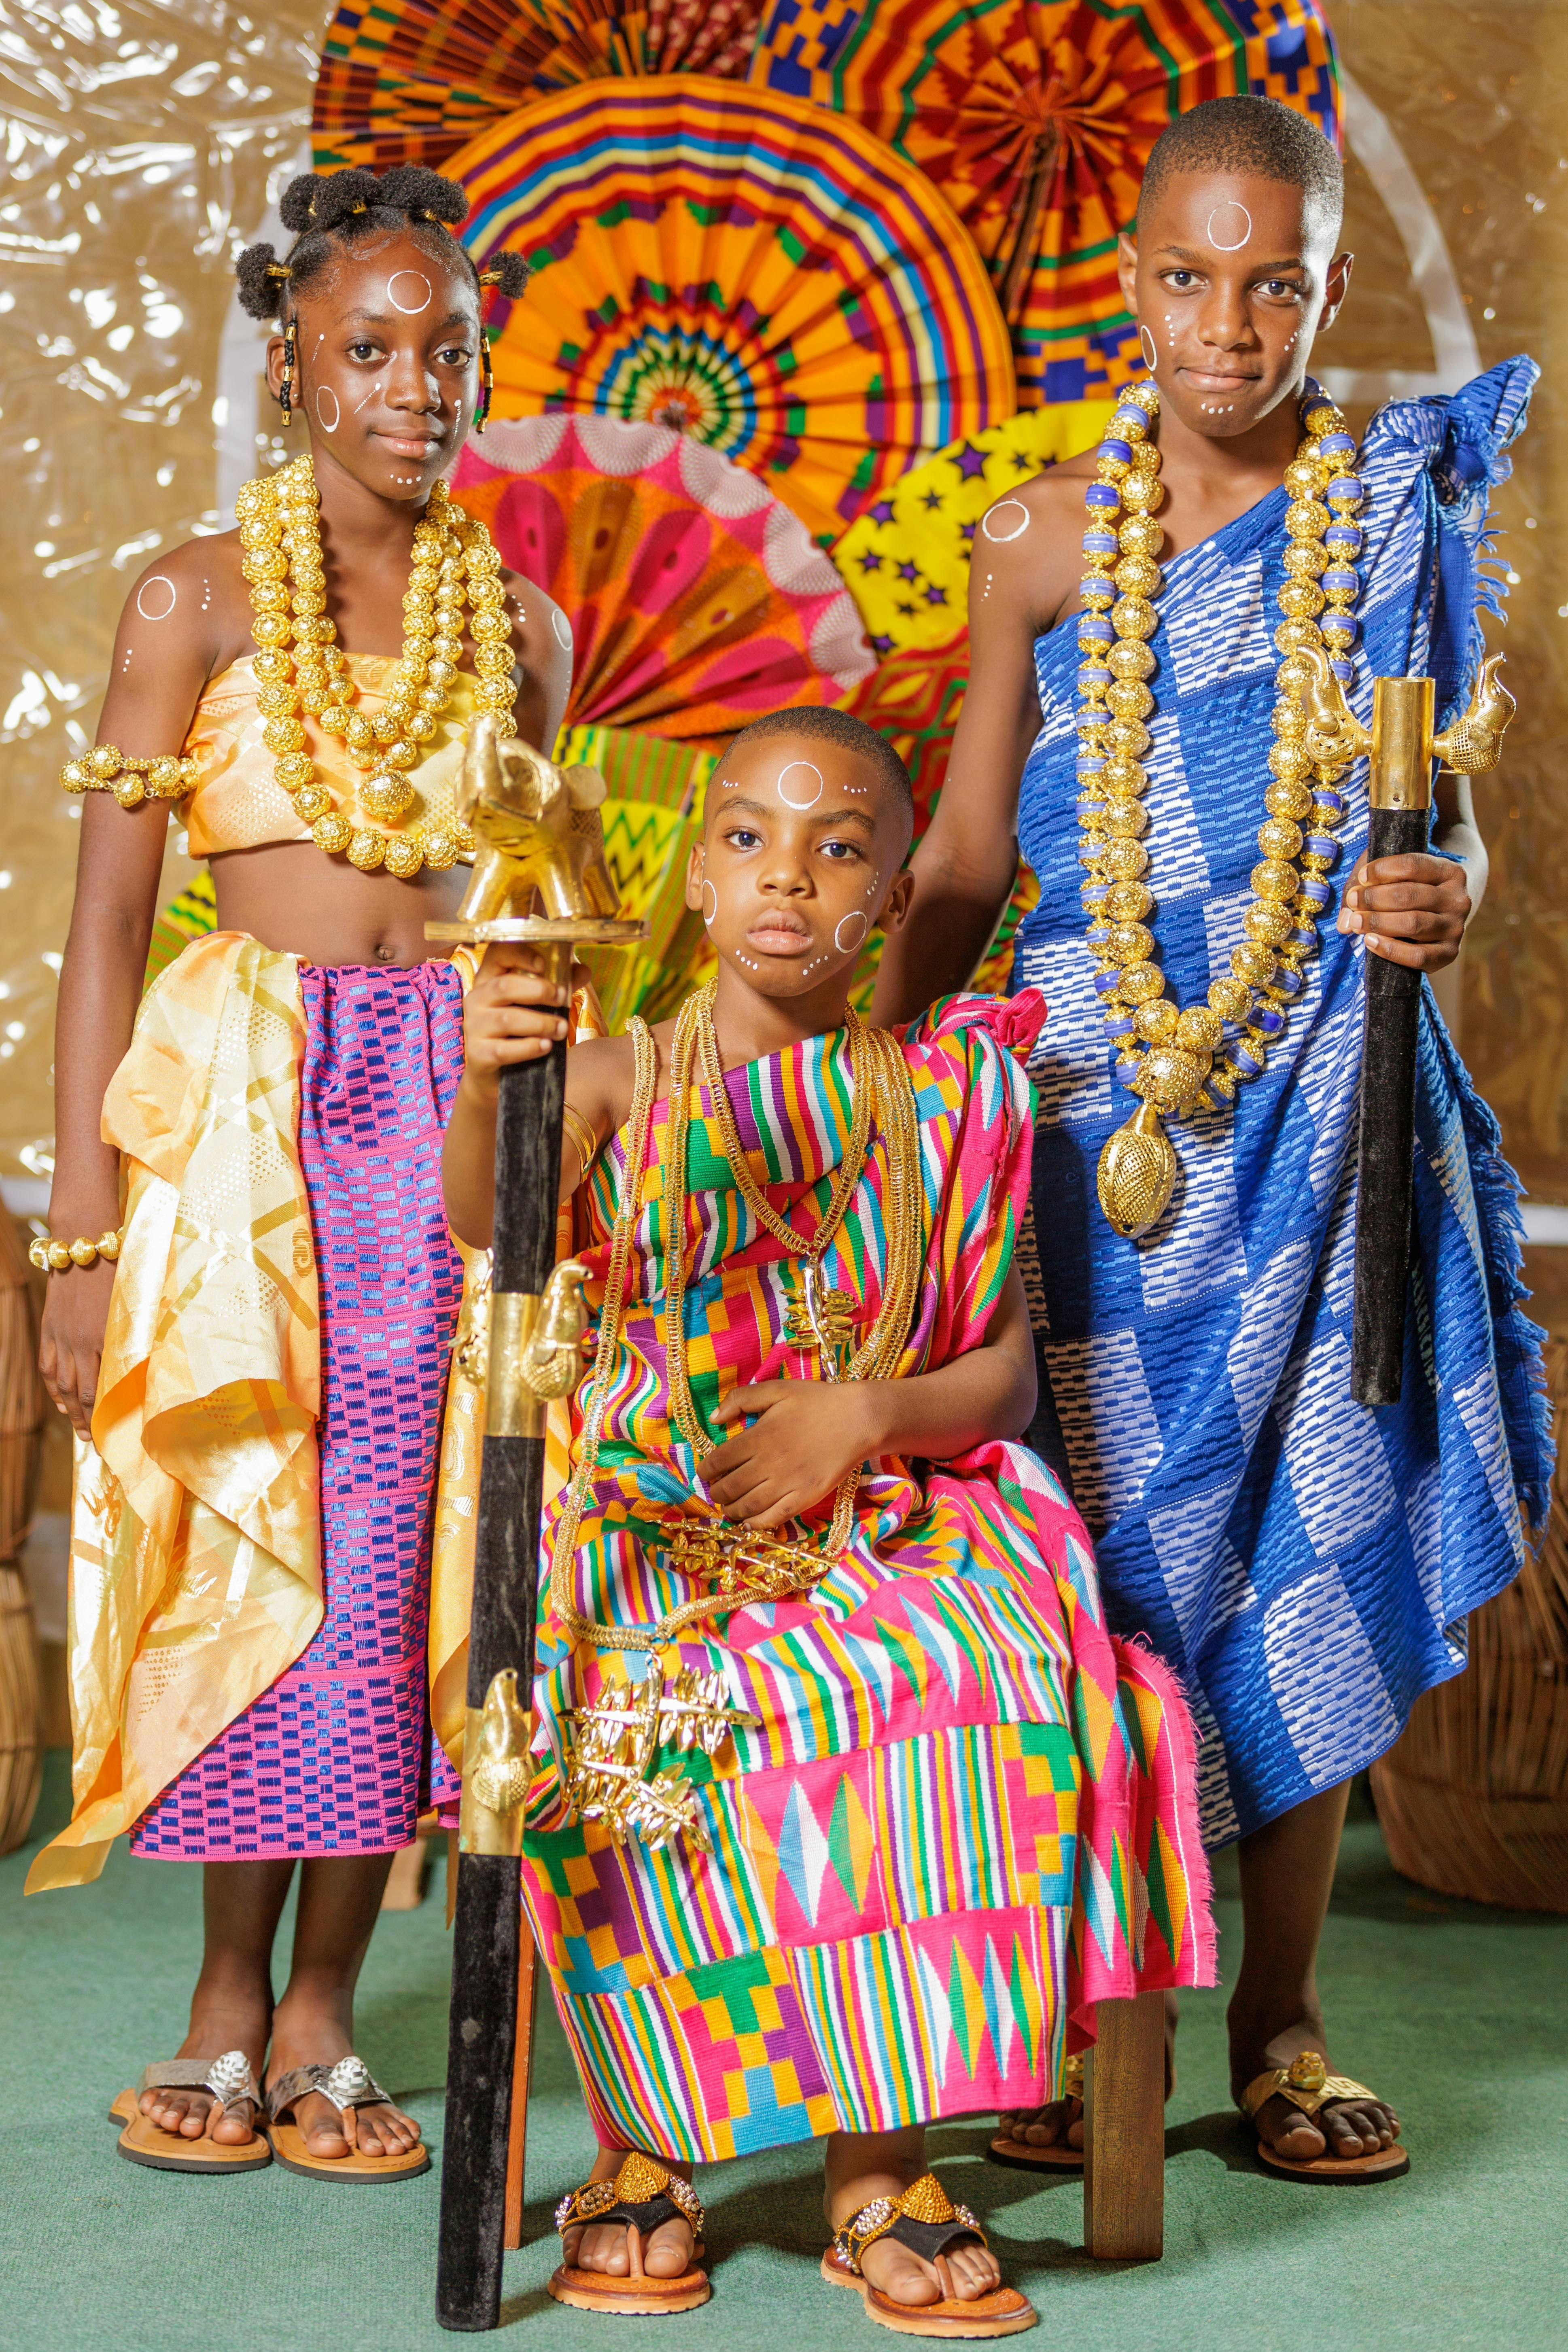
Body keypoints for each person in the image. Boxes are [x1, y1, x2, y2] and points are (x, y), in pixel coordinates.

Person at [872, 96, 1550, 2183]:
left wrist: (1447, 889)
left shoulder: (1397, 511)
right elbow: (975, 848)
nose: (1227, 325)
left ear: (1329, 289)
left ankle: (1278, 2021)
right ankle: (1071, 2021)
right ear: (1133, 284)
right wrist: (868, 1072)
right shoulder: (1042, 546)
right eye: (1188, 277)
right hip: (1089, 1112)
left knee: (1303, 1540)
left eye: (1274, 283)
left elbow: (1446, 808)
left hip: (1322, 1090)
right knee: (1094, 1564)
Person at [446, 704, 1214, 2329]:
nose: (788, 873)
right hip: (652, 1505)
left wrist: (861, 1418)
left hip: (885, 1501)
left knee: (953, 1675)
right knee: (647, 1698)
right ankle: (648, 2139)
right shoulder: (608, 1071)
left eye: (841, 843)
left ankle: (877, 2162)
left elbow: (1002, 1381)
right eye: (748, 836)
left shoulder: (949, 1099)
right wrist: (491, 1067)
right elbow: (485, 1229)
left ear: (891, 896)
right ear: (697, 877)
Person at [29, 162, 571, 2182]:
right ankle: (222, 1994)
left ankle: (334, 2004)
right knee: (242, 1511)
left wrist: (535, 1154)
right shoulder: (195, 597)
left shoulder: (519, 623)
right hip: (241, 1117)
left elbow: (529, 923)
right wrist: (82, 1235)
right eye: (372, 348)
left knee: (397, 1549)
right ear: (295, 361)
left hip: (436, 1124)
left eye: (450, 349)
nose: (419, 386)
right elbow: (102, 930)